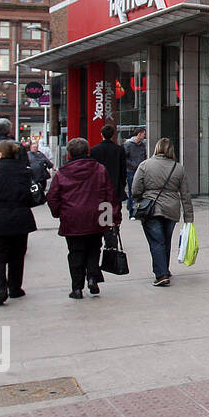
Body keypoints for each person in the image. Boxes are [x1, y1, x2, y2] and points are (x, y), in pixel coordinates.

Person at [46, 137, 119, 299]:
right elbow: (110, 195)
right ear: (87, 151)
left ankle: (77, 288)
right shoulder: (99, 169)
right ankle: (92, 277)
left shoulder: (62, 173)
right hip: (96, 217)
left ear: (69, 153)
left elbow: (52, 197)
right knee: (94, 249)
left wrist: (59, 212)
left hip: (72, 219)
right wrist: (113, 217)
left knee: (75, 252)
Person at [0, 140, 37, 306]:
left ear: (0, 154)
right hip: (19, 218)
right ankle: (15, 288)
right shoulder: (24, 171)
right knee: (17, 255)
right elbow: (31, 196)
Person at [130, 137, 194, 287]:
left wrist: (140, 199)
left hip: (151, 209)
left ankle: (161, 274)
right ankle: (164, 269)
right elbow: (185, 194)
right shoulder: (178, 168)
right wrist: (189, 217)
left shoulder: (145, 165)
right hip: (172, 209)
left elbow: (135, 189)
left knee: (156, 242)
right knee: (165, 240)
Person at [90, 125, 127, 203]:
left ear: (101, 134)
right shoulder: (119, 150)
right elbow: (123, 170)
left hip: (99, 185)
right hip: (115, 184)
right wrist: (122, 184)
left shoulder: (94, 150)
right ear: (113, 135)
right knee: (115, 210)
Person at [123, 127, 147, 218]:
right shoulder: (128, 145)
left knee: (141, 191)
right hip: (131, 171)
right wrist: (133, 164)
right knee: (132, 191)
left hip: (141, 170)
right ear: (139, 134)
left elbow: (144, 156)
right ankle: (131, 213)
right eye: (144, 134)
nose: (144, 136)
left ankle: (138, 210)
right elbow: (125, 158)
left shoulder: (142, 145)